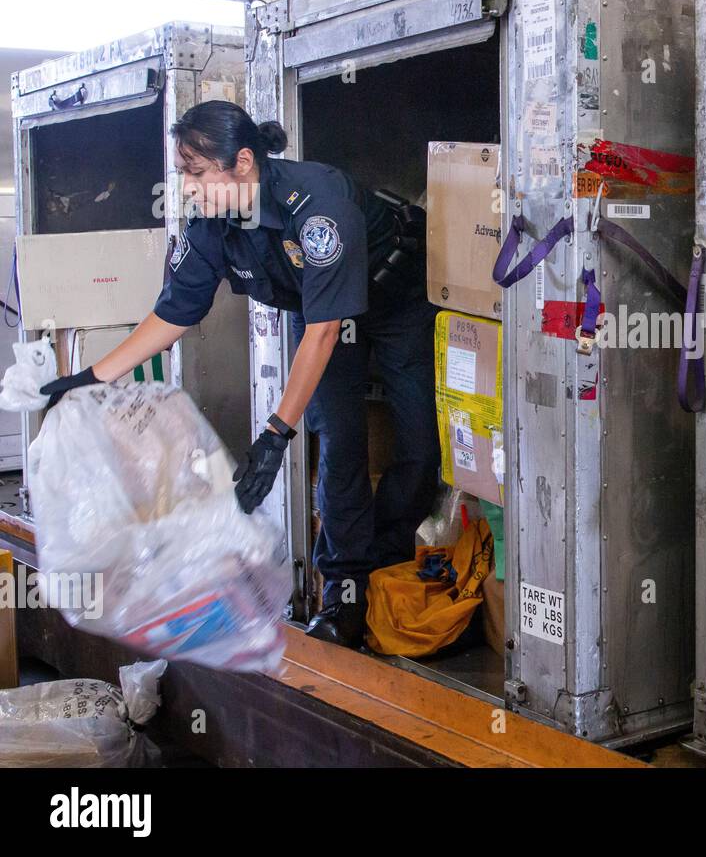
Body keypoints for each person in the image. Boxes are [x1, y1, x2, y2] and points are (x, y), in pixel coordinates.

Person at [39, 100, 441, 648]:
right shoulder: (211, 226)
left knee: (420, 439)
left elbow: (325, 333)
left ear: (244, 162)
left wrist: (276, 433)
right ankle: (345, 592)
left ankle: (389, 555)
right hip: (319, 310)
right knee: (341, 442)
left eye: (196, 173)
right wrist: (91, 376)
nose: (186, 187)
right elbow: (174, 312)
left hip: (395, 302)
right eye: (182, 173)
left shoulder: (316, 204)